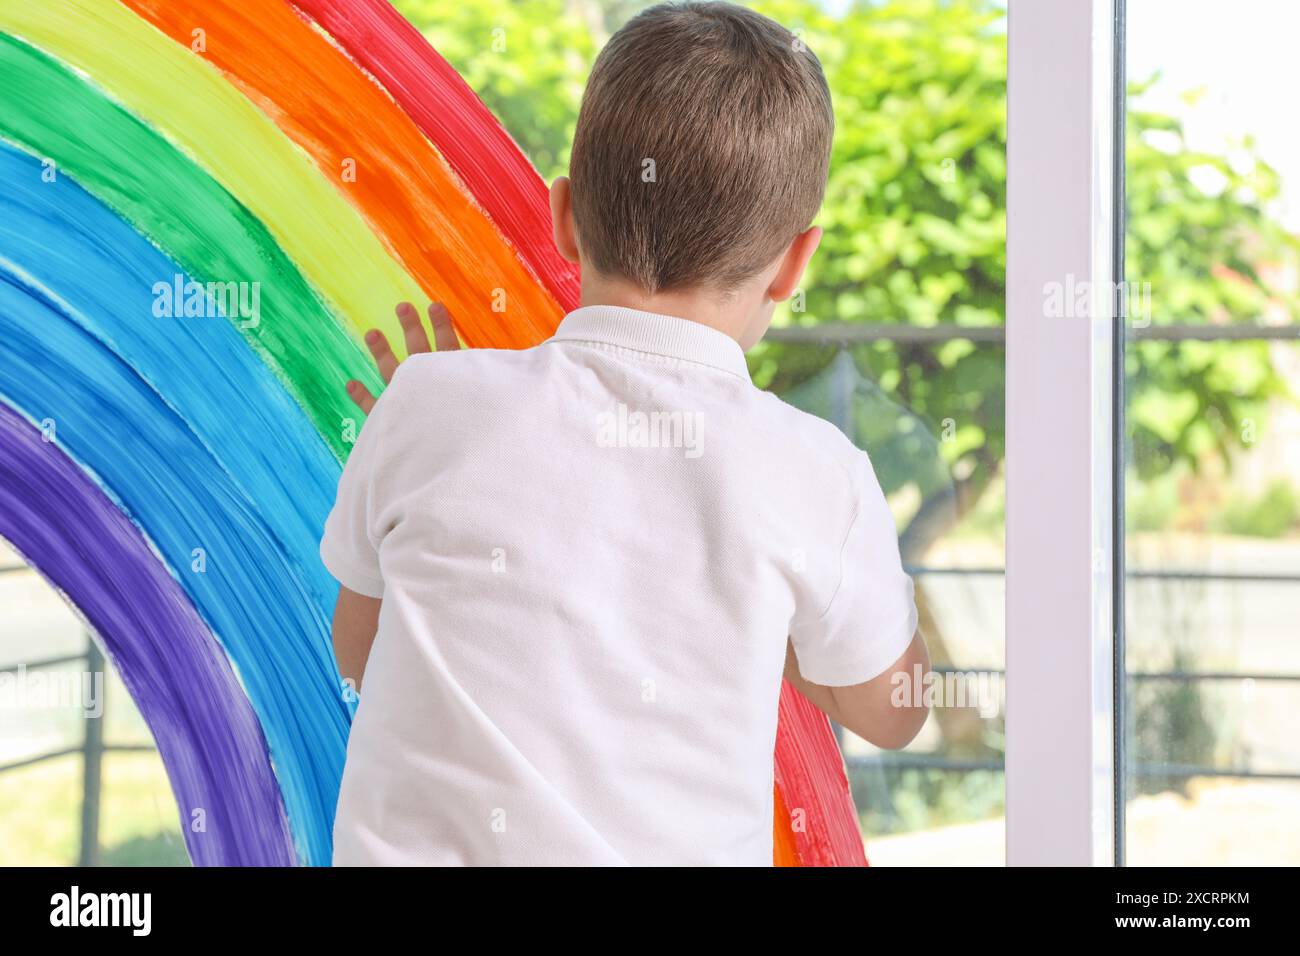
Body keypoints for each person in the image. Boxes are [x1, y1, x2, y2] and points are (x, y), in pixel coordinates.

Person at [321, 0, 929, 866]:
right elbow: (894, 711)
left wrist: (439, 417)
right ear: (796, 262)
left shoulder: (423, 402)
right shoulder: (814, 476)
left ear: (564, 216)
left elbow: (359, 655)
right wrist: (784, 607)